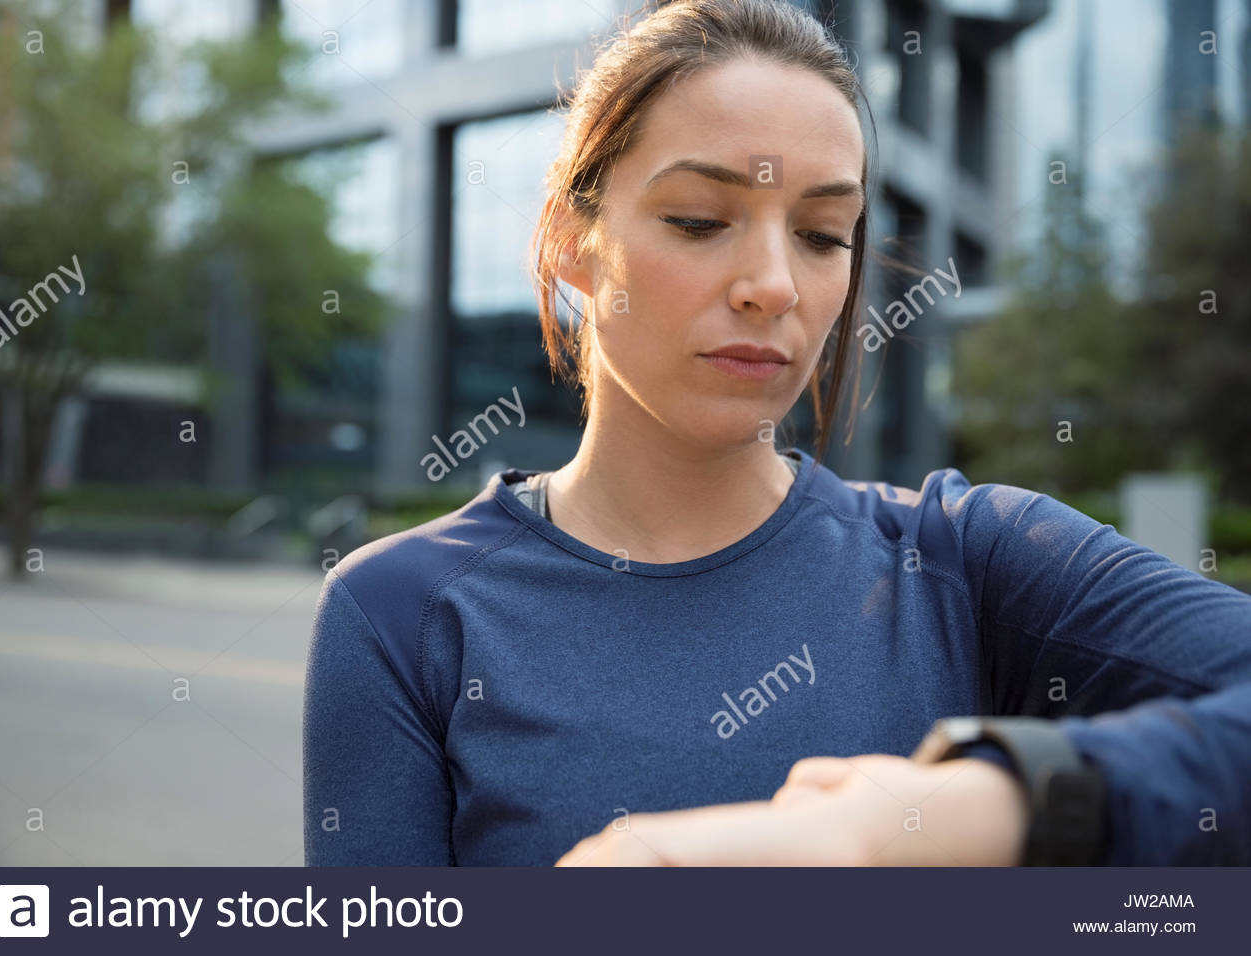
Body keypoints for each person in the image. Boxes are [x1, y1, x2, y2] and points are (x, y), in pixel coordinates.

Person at [303, 0, 1251, 867]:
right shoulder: (403, 614)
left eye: (822, 234)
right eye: (699, 218)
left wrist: (929, 815)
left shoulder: (974, 561)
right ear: (569, 242)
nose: (775, 285)